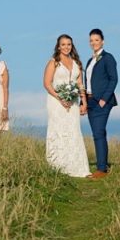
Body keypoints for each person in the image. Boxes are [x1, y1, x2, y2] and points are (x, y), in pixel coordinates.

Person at [43, 34, 90, 177]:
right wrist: (60, 97)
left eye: (69, 44)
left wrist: (84, 102)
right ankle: (57, 166)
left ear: (72, 46)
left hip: (73, 102)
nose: (66, 47)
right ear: (58, 46)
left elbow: (80, 84)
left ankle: (77, 167)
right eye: (63, 44)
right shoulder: (53, 62)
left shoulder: (76, 63)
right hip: (56, 101)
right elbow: (47, 83)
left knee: (73, 130)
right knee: (58, 130)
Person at [83, 28, 117, 177]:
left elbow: (113, 79)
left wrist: (104, 99)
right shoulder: (90, 60)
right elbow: (86, 82)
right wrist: (82, 101)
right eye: (91, 40)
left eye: (96, 40)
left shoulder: (108, 58)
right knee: (96, 134)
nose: (94, 43)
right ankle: (101, 166)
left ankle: (102, 169)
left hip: (102, 101)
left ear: (102, 41)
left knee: (99, 133)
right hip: (90, 101)